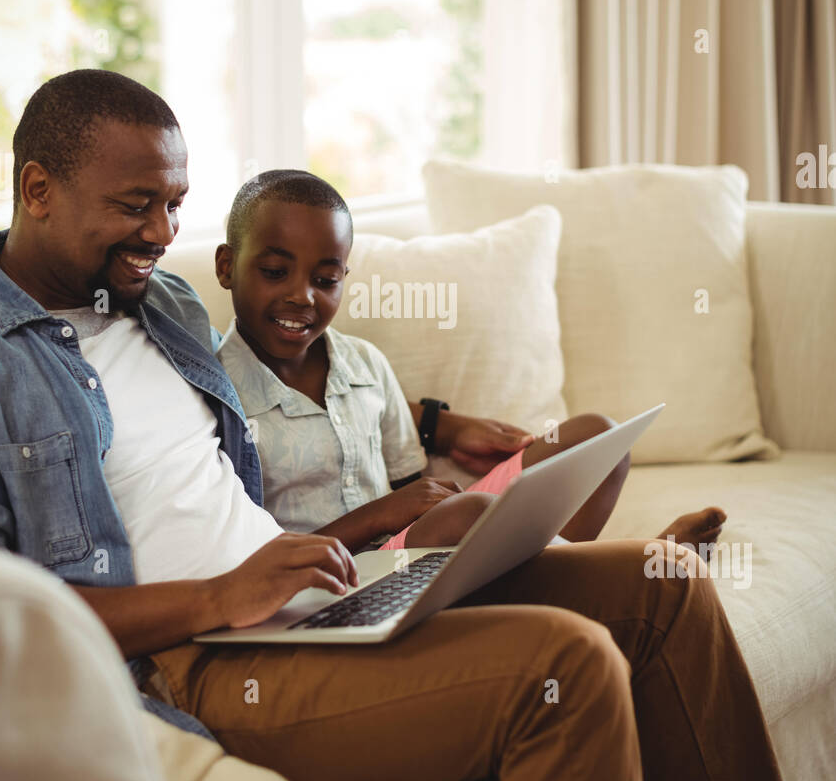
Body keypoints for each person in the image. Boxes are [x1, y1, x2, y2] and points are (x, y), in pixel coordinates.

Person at [0, 69, 819, 781]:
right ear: (37, 188)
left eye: (175, 205)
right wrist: (223, 597)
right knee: (561, 666)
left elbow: (304, 384)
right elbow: (2, 626)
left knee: (662, 584)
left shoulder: (166, 306)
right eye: (136, 205)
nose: (161, 234)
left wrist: (433, 428)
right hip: (204, 662)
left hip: (314, 599)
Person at [214, 169, 727, 555]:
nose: (302, 297)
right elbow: (252, 560)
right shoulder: (216, 395)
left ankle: (585, 572)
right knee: (468, 519)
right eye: (276, 271)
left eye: (326, 280)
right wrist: (380, 517)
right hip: (338, 572)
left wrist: (429, 481)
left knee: (597, 439)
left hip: (419, 544)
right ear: (226, 266)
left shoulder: (365, 365)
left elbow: (407, 481)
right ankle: (629, 567)